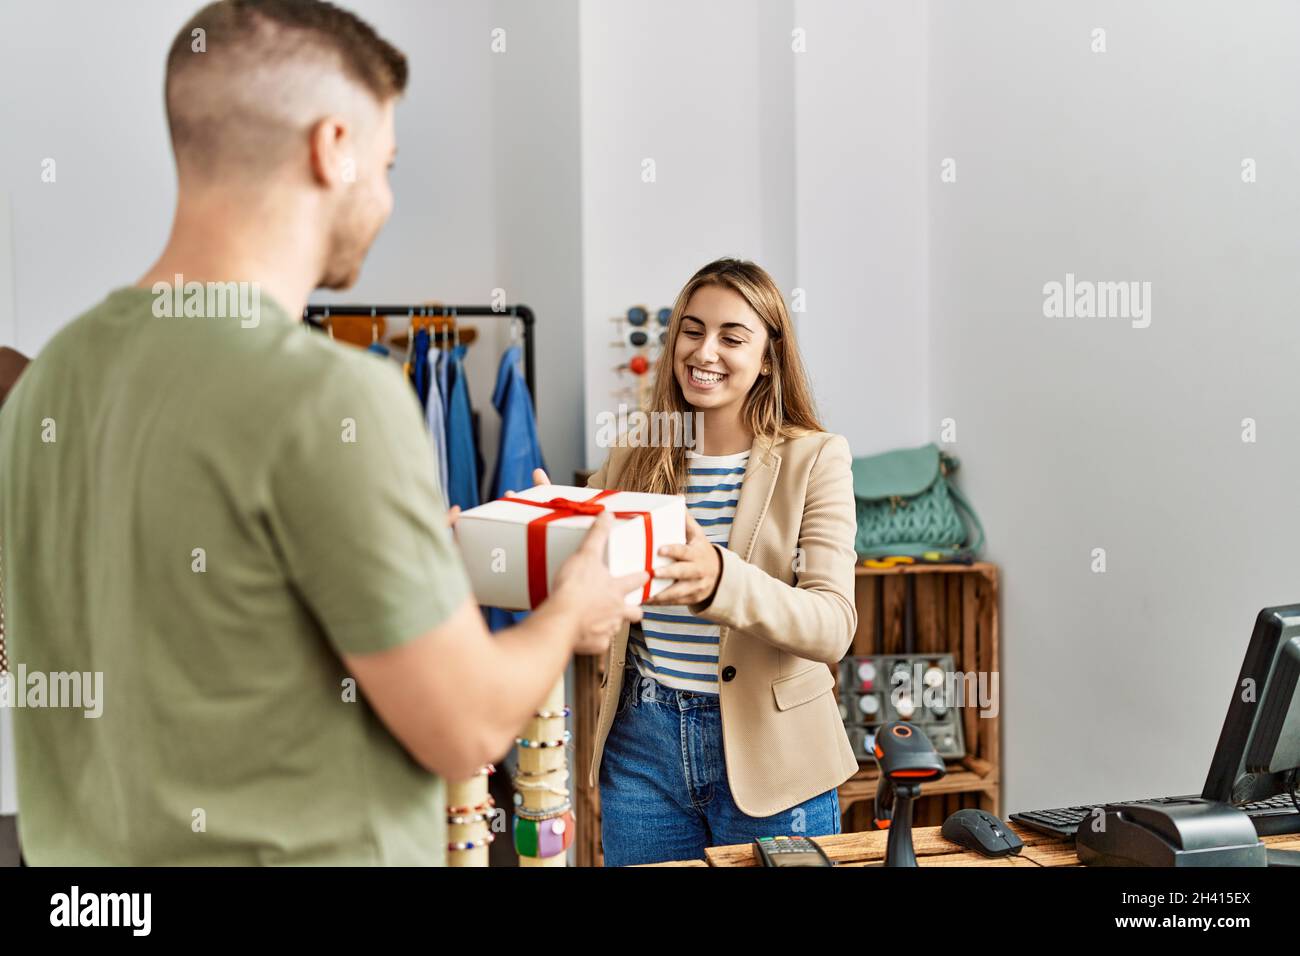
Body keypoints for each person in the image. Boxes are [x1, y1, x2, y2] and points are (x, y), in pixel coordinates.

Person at [0, 0, 643, 866]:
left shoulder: (49, 385)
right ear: (331, 145)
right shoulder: (333, 399)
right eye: (384, 163)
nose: (381, 198)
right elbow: (467, 728)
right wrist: (573, 611)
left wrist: (404, 558)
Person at [540, 258, 859, 865]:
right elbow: (594, 576)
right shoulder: (636, 456)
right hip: (643, 747)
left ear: (768, 356)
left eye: (732, 337)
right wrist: (550, 525)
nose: (704, 350)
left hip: (774, 758)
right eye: (692, 329)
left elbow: (832, 624)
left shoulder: (816, 458)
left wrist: (721, 579)